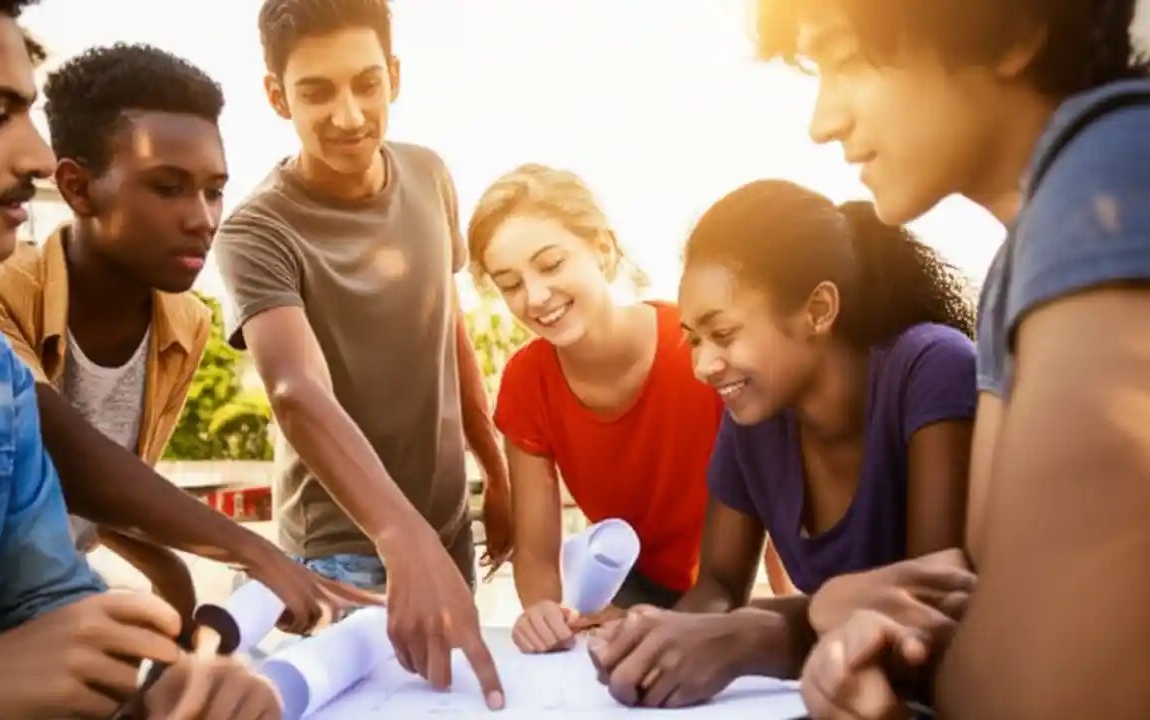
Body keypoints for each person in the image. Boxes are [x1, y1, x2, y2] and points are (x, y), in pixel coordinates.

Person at [0, 2, 279, 717]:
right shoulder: (3, 311)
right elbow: (9, 661)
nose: (34, 160)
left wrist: (163, 680)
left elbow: (43, 599)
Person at [752, 0, 1150, 716]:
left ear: (1013, 28)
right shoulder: (1018, 263)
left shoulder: (1115, 169)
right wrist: (826, 615)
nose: (822, 121)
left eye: (844, 57)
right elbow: (985, 602)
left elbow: (1055, 690)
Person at [0, 41, 370, 633]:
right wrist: (255, 552)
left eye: (213, 189)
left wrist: (167, 568)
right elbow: (67, 455)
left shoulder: (184, 324)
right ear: (77, 188)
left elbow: (114, 486)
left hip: (45, 603)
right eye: (168, 188)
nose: (203, 218)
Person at [213, 0, 508, 707]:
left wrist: (494, 471)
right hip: (342, 552)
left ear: (394, 77)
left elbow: (450, 329)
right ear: (277, 95)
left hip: (444, 531)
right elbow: (294, 391)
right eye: (317, 90)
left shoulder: (431, 174)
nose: (348, 114)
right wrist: (401, 539)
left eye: (366, 84)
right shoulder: (257, 232)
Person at [587, 179, 979, 708]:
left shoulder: (930, 369)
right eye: (694, 339)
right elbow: (721, 584)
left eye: (723, 334)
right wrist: (653, 636)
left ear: (818, 309)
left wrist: (750, 640)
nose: (703, 367)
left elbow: (929, 613)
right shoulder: (754, 421)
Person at [468, 163, 790, 654]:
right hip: (632, 592)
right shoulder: (526, 382)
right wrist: (543, 617)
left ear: (602, 249)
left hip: (726, 588)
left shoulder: (699, 348)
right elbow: (535, 554)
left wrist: (799, 612)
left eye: (551, 264)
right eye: (510, 283)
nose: (535, 296)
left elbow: (775, 496)